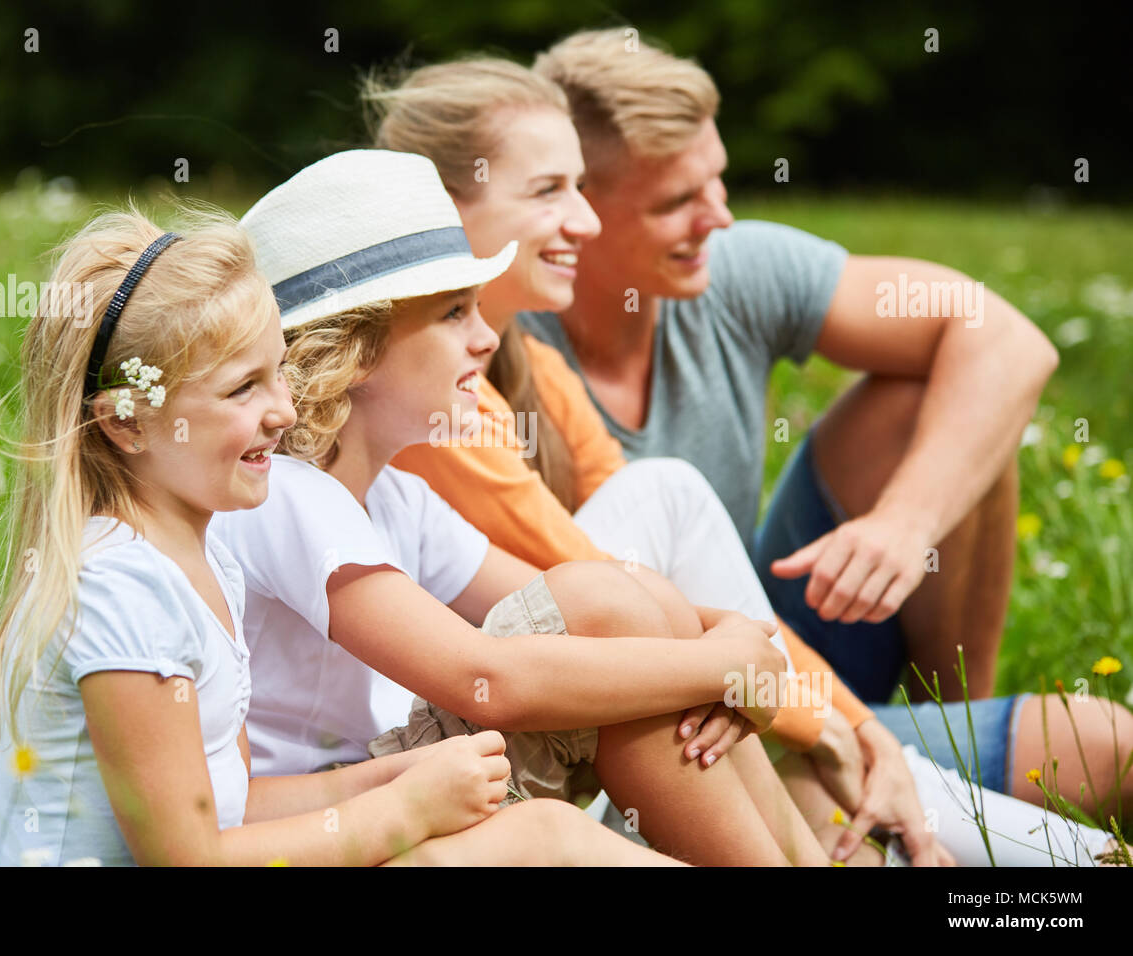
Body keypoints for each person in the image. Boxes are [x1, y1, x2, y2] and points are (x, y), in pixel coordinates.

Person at [366, 56, 1121, 866]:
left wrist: (891, 544)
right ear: (443, 209)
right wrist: (785, 703)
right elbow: (589, 595)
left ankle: (950, 795)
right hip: (585, 728)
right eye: (552, 191)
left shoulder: (537, 362)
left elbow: (998, 335)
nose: (579, 220)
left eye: (578, 188)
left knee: (1108, 745)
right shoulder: (431, 388)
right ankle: (1030, 850)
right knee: (667, 518)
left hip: (706, 684)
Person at [0, 204, 678, 867]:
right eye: (242, 389)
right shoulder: (121, 588)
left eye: (279, 371)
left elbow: (235, 806)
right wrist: (403, 811)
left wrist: (392, 776)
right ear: (126, 422)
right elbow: (188, 856)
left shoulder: (206, 556)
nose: (284, 411)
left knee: (539, 832)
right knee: (543, 836)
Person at [214, 147, 834, 865]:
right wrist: (719, 668)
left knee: (634, 598)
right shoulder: (286, 496)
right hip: (344, 800)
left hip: (409, 766)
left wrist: (734, 643)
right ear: (353, 351)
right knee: (607, 605)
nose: (485, 337)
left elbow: (626, 606)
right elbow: (488, 681)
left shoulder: (396, 499)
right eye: (452, 313)